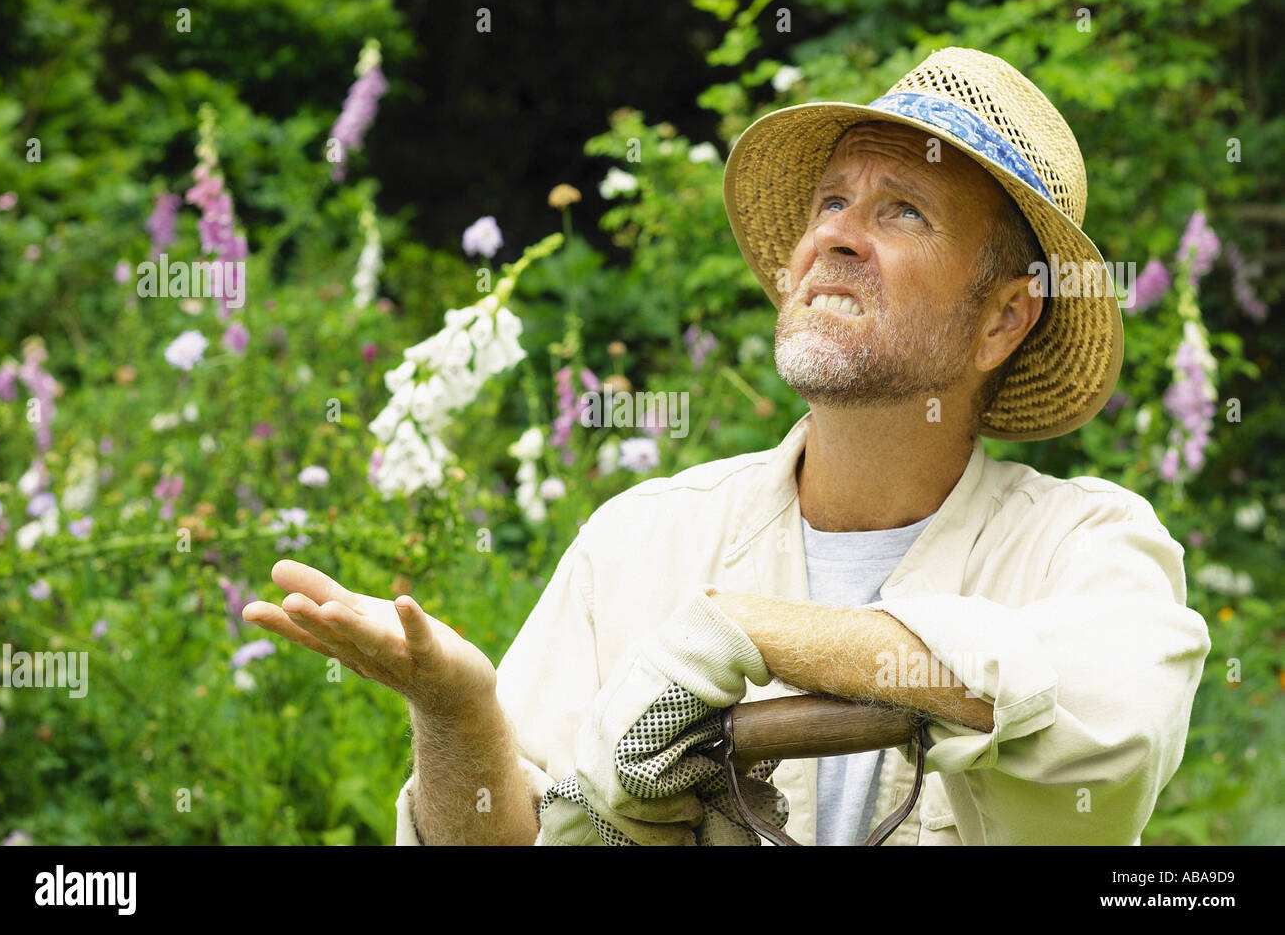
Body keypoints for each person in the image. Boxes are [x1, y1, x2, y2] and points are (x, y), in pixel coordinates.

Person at [243, 47, 1210, 846]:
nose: (836, 238)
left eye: (901, 210)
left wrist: (744, 631)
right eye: (831, 202)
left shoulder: (1086, 548)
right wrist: (457, 715)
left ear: (1002, 320)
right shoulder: (636, 541)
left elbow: (1109, 730)